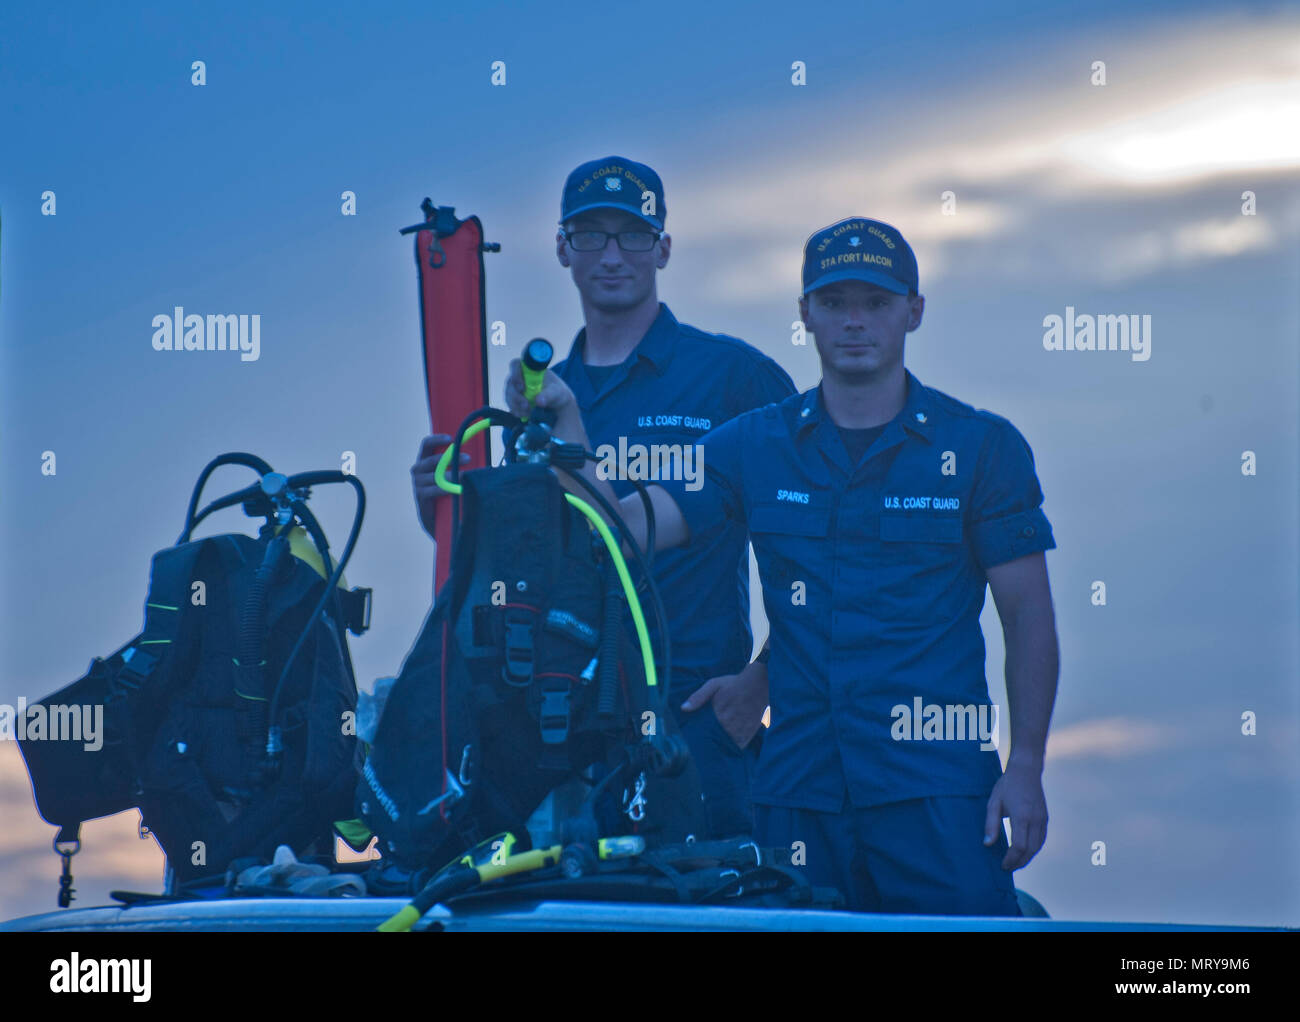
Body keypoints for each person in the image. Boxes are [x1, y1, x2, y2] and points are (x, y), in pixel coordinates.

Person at [505, 217, 1060, 915]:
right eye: (833, 304)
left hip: (937, 794)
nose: (854, 323)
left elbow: (1029, 619)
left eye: (876, 303)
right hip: (798, 799)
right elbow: (621, 531)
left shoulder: (981, 448)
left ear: (913, 312)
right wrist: (568, 430)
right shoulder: (755, 445)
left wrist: (1027, 767)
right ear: (805, 316)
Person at [414, 156, 796, 838]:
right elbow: (531, 562)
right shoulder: (542, 399)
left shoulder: (734, 377)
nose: (613, 255)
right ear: (562, 248)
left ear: (664, 247)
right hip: (566, 725)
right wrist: (440, 513)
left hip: (699, 718)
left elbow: (813, 543)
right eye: (591, 235)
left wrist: (764, 678)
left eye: (633, 235)